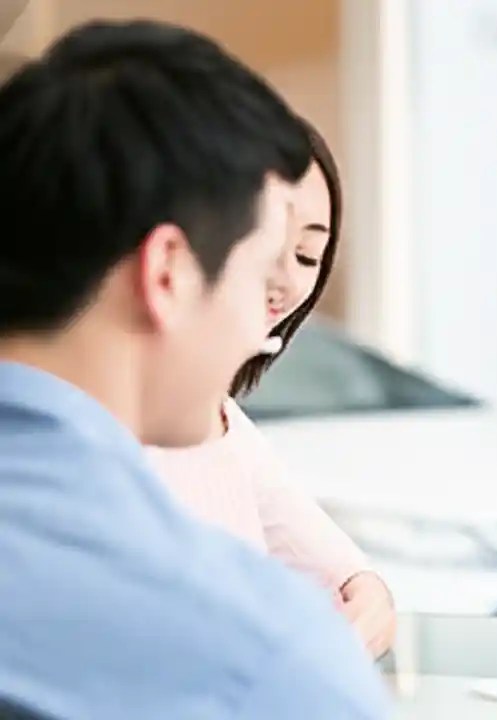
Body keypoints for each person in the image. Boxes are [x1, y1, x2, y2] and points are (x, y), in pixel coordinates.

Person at [0, 19, 388, 718]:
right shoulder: (257, 652)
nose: (263, 320)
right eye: (258, 270)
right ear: (168, 272)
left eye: (305, 259)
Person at [146, 119, 397, 660]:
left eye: (307, 256)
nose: (285, 279)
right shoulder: (99, 424)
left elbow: (355, 586)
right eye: (263, 243)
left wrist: (350, 631)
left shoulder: (222, 421)